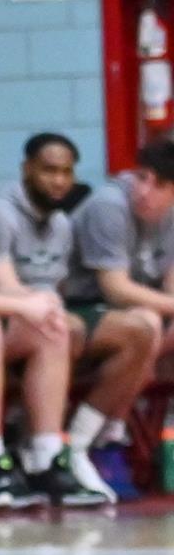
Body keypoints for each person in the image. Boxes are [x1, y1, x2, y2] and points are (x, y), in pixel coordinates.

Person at [0, 111, 108, 505]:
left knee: (49, 325)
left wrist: (35, 300)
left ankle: (44, 455)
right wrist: (15, 305)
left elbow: (3, 279)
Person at [11, 132, 157, 499]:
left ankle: (79, 445)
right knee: (63, 330)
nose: (59, 180)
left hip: (56, 315)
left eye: (66, 172)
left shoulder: (61, 223)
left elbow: (58, 287)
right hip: (10, 319)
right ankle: (30, 449)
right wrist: (31, 304)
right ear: (26, 169)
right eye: (49, 171)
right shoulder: (3, 214)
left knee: (140, 331)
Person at [63, 137, 174, 489]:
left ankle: (121, 434)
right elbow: (116, 288)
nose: (144, 191)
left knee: (153, 326)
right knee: (147, 325)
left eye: (159, 185)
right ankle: (91, 441)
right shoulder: (109, 205)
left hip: (129, 312)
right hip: (78, 305)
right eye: (142, 177)